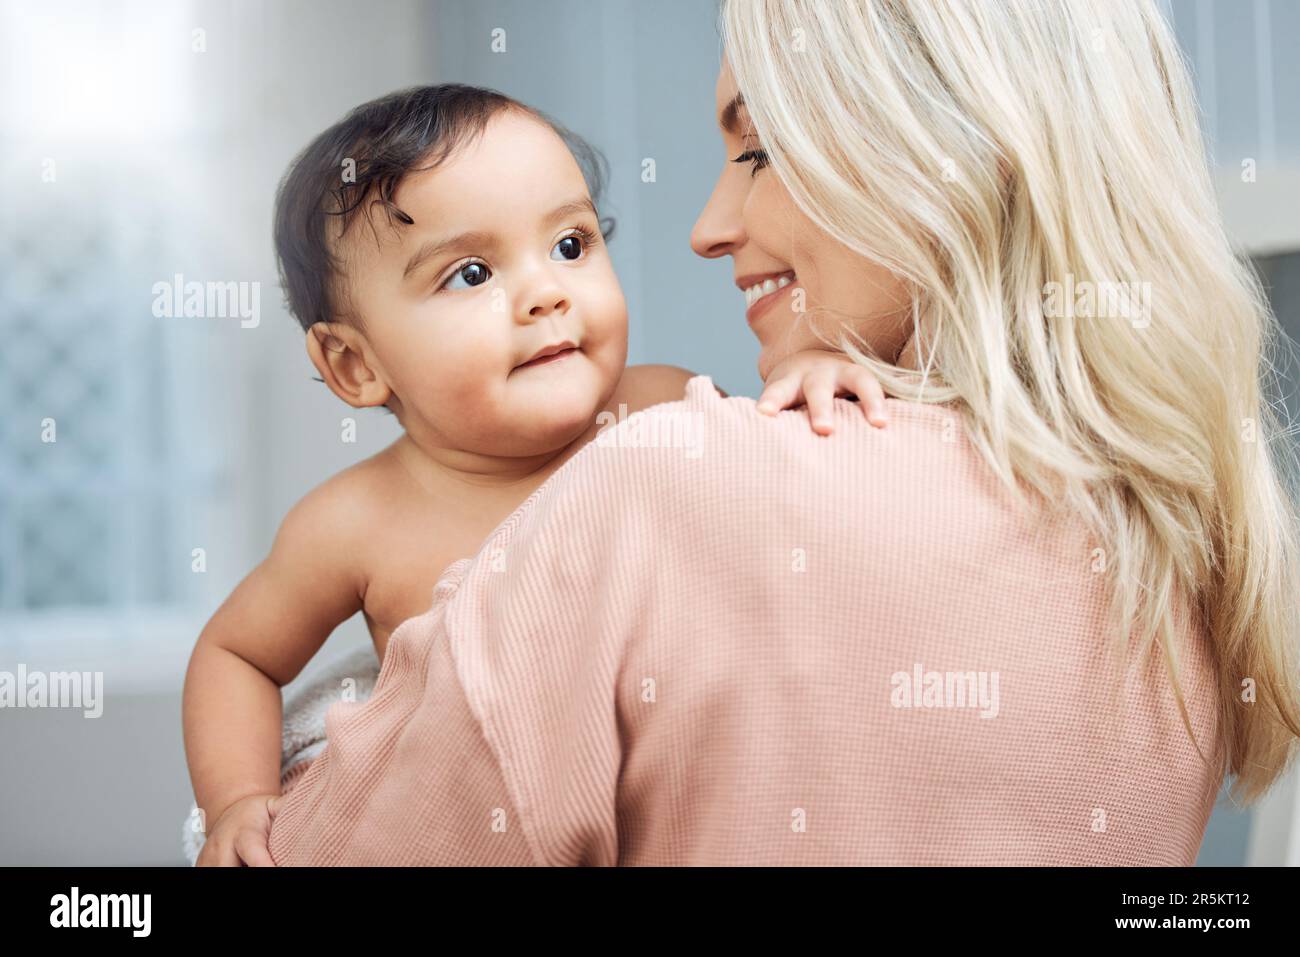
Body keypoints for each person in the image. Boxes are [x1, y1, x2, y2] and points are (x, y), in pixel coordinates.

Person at [267, 0, 1300, 865]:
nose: (707, 226)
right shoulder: (1185, 554)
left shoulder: (670, 482)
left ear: (947, 155)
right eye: (470, 273)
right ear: (350, 362)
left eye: (757, 149)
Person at [183, 83, 882, 867]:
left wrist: (815, 370)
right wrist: (237, 800)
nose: (547, 292)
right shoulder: (356, 522)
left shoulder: (664, 407)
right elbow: (236, 654)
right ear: (355, 362)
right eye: (472, 273)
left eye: (572, 245)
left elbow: (784, 513)